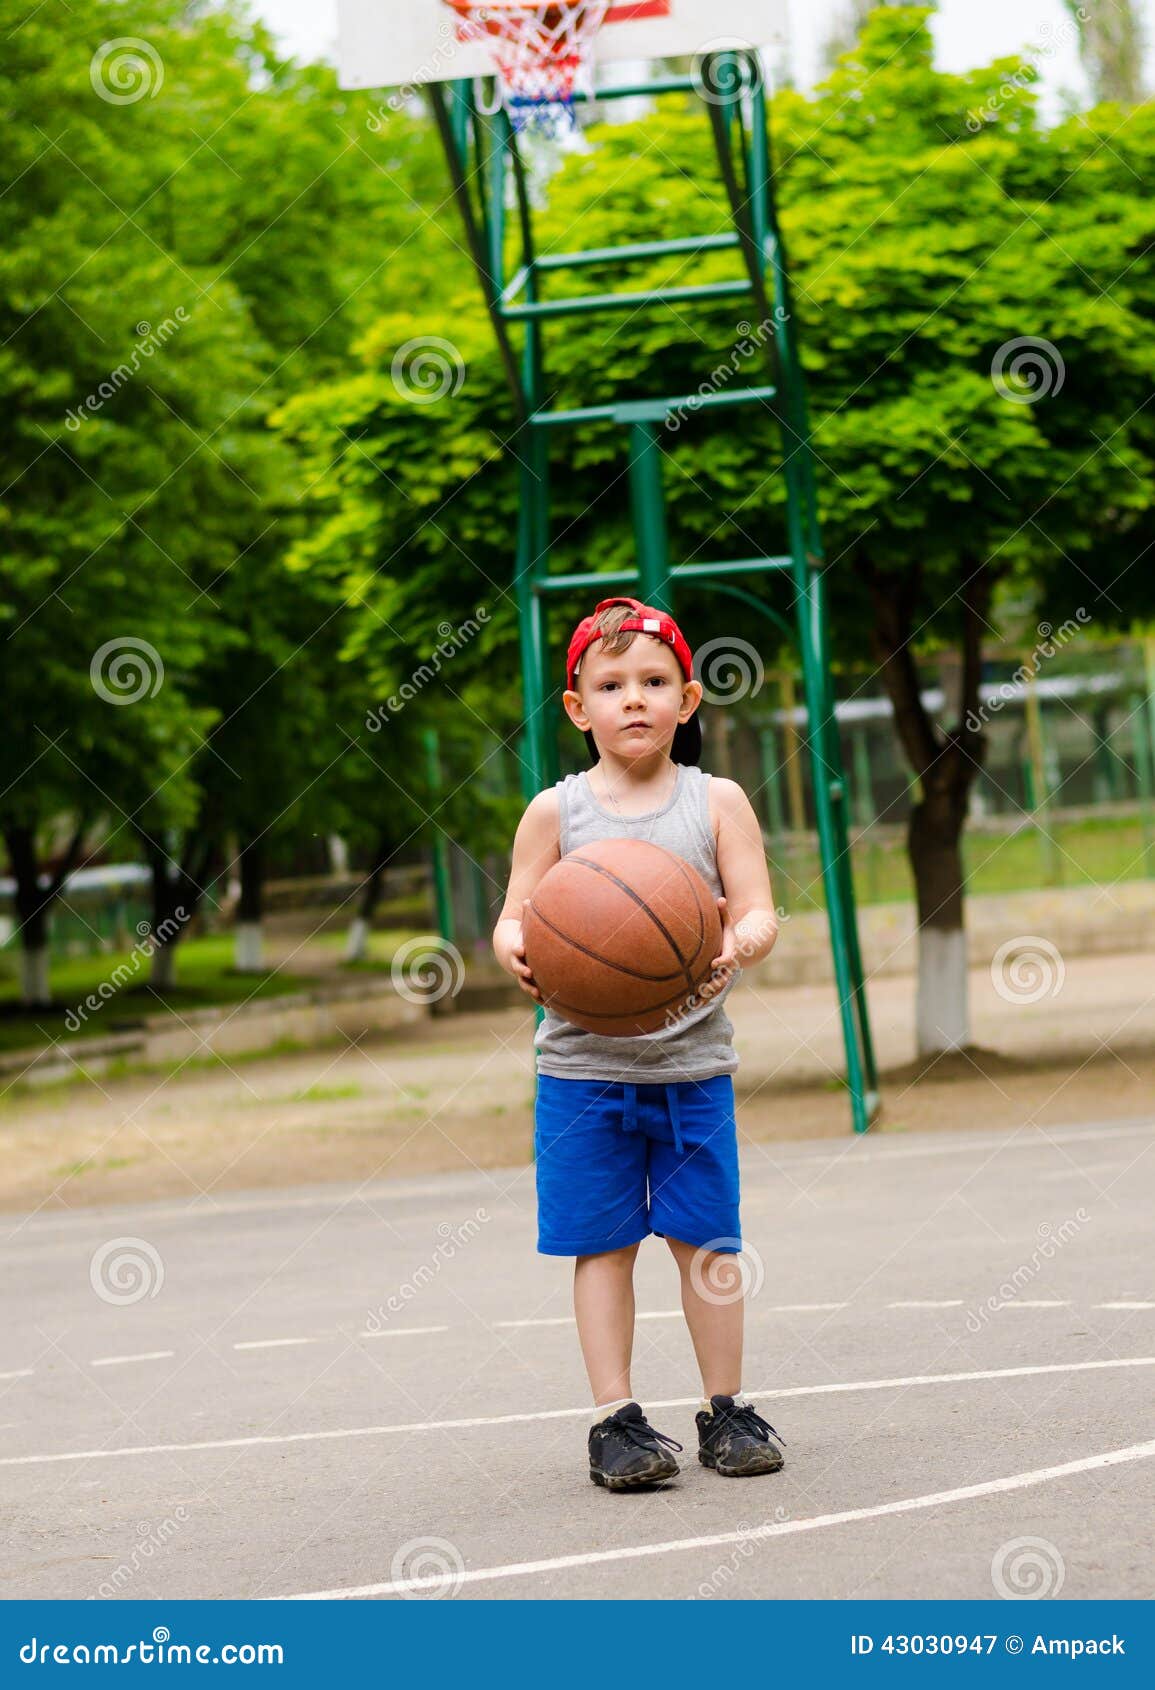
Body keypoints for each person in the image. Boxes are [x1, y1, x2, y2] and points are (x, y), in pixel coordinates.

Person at [492, 596, 786, 1491]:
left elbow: (761, 904)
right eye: (611, 684)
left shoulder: (715, 800)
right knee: (602, 1244)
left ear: (687, 700)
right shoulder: (555, 813)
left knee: (708, 1245)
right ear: (577, 707)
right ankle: (614, 1422)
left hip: (690, 1065)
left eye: (654, 683)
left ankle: (725, 1410)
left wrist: (746, 938)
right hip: (581, 1070)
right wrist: (513, 947)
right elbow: (512, 917)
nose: (634, 700)